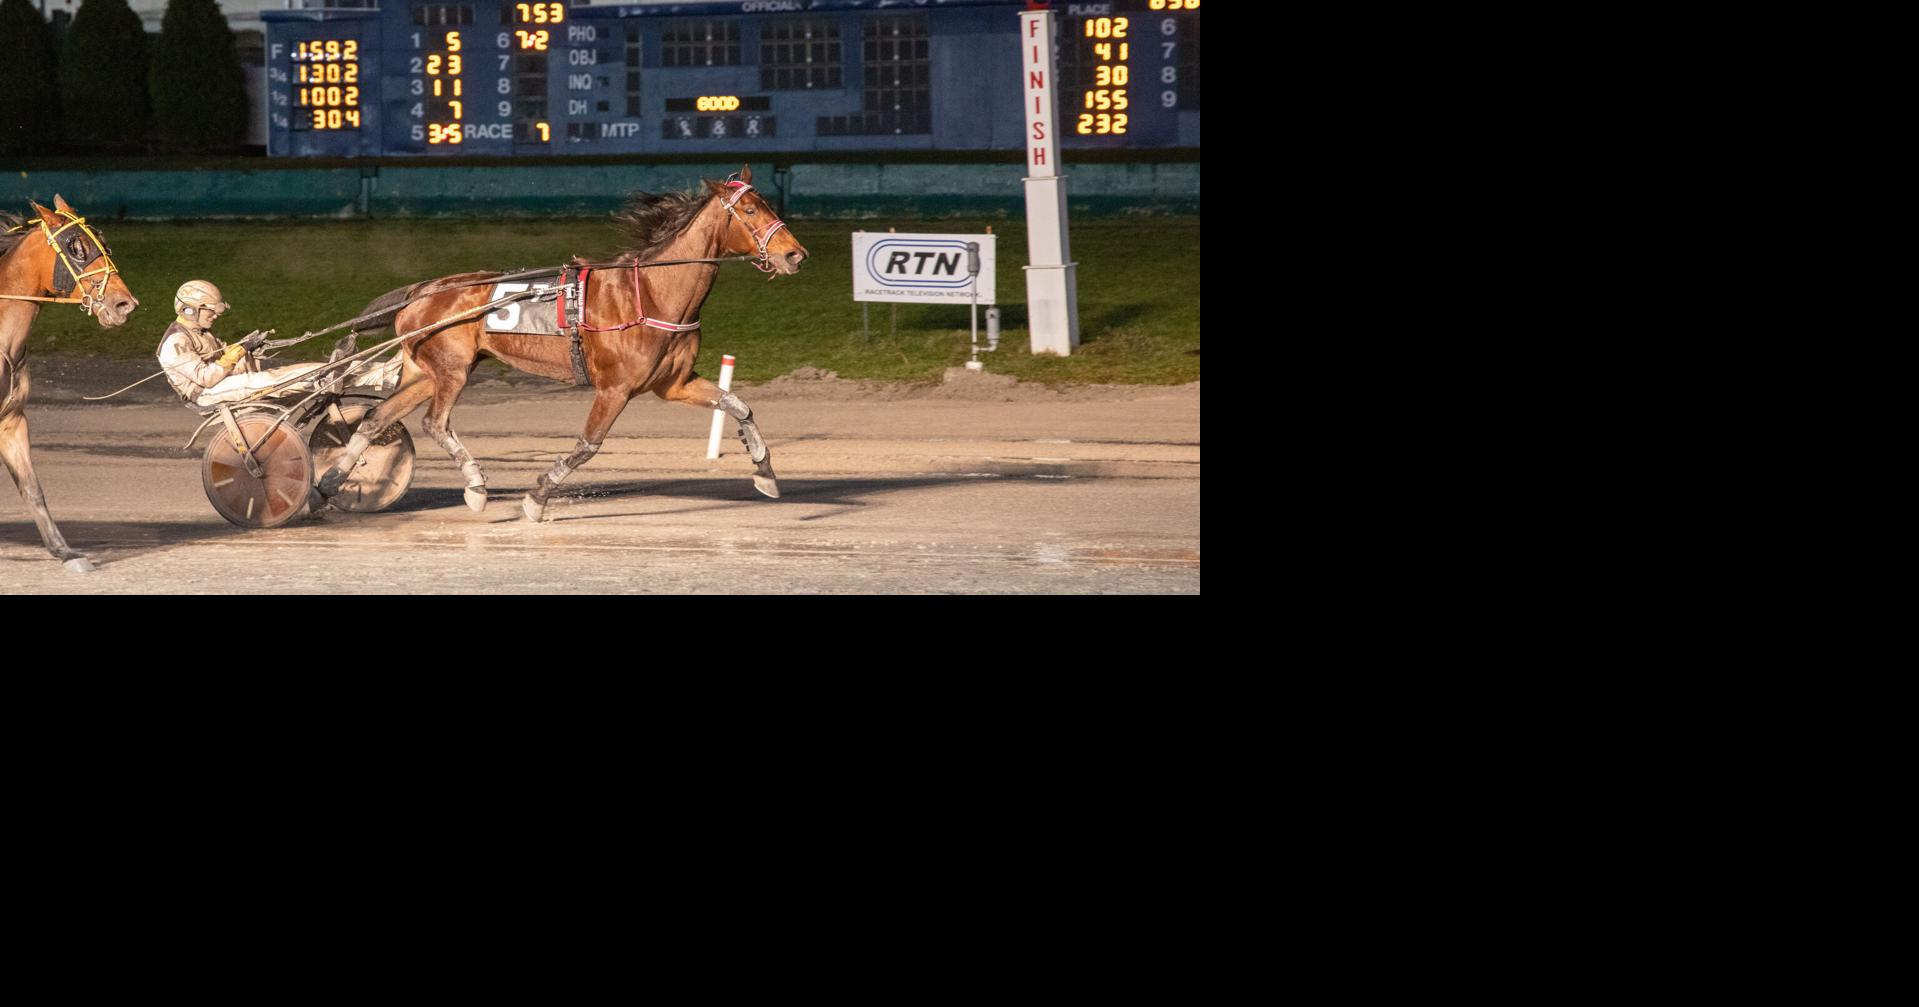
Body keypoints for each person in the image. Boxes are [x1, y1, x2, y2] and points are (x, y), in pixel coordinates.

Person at [157, 280, 399, 406]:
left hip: (227, 383)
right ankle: (377, 376)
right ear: (189, 310)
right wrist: (240, 350)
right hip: (208, 394)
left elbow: (225, 359)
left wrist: (250, 350)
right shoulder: (176, 342)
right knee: (294, 378)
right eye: (210, 310)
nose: (216, 315)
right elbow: (207, 378)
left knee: (307, 370)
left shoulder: (200, 331)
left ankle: (382, 373)